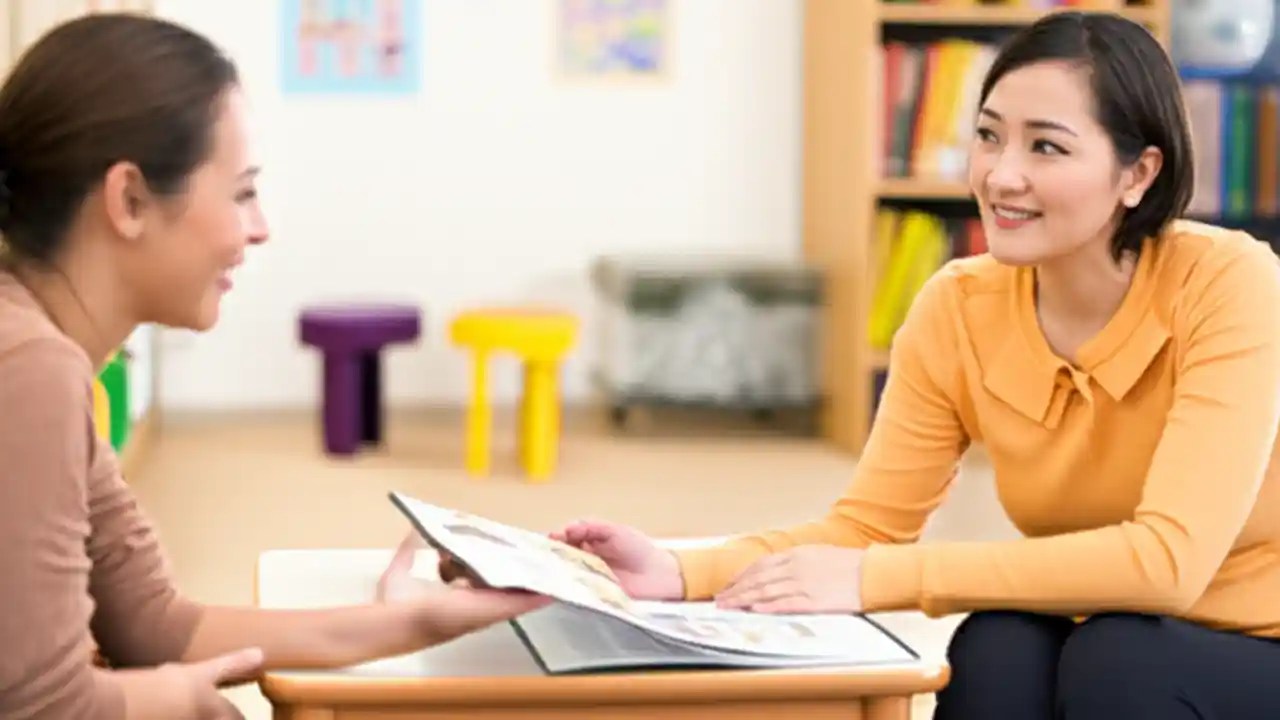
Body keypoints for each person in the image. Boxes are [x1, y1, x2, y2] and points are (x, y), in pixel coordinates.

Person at [548, 12, 1280, 720]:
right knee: (997, 647)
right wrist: (678, 572)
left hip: (1257, 638)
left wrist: (876, 582)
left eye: (1046, 148)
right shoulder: (958, 308)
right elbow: (867, 527)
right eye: (988, 137)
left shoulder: (1231, 284)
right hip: (1112, 626)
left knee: (1119, 658)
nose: (1001, 176)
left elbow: (1168, 563)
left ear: (1138, 174)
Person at [0, 14, 546, 720]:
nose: (260, 227)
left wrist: (420, 621)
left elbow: (153, 625)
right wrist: (177, 702)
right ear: (129, 200)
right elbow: (44, 707)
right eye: (242, 192)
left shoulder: (44, 357)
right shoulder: (28, 367)